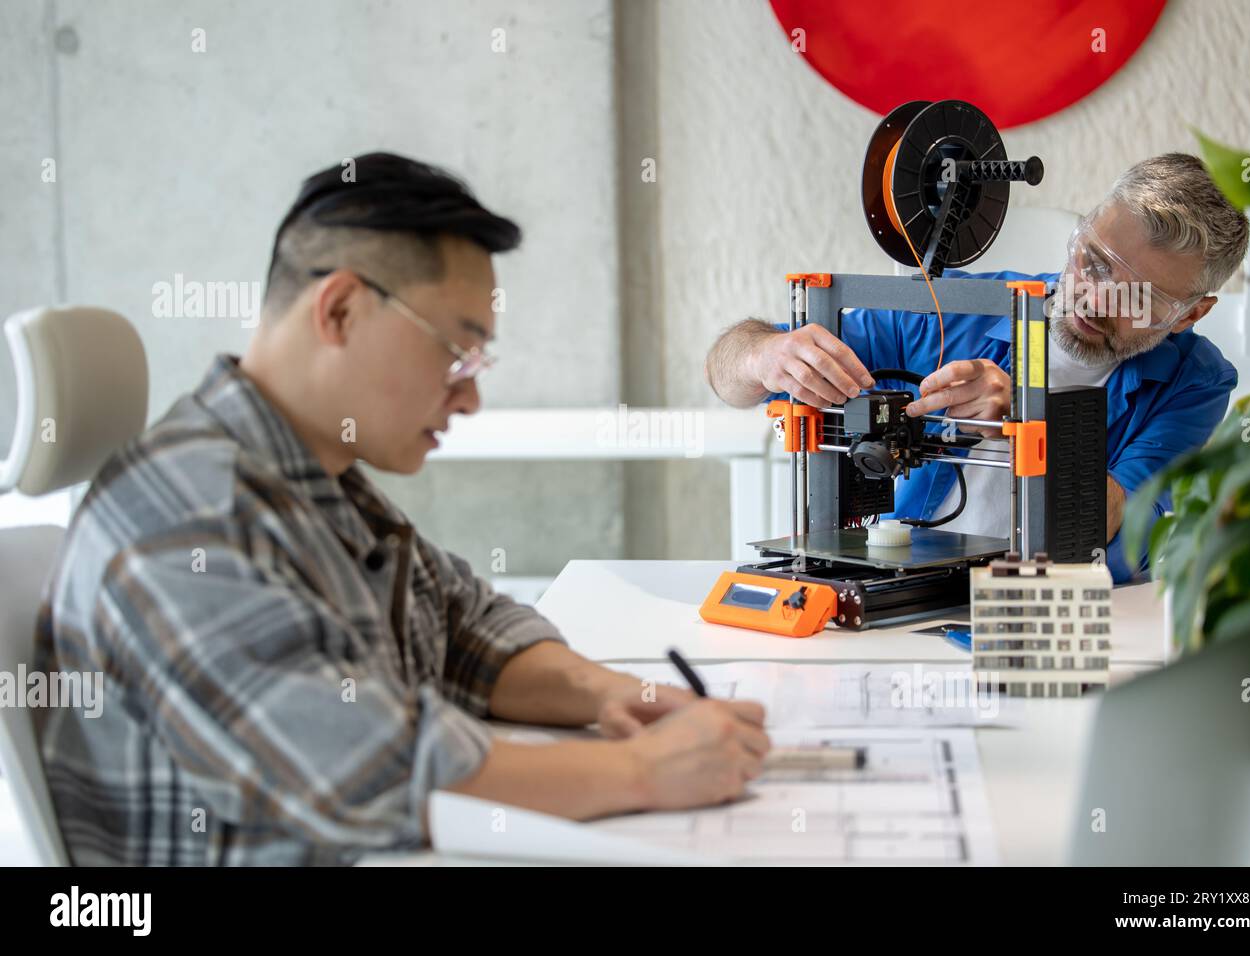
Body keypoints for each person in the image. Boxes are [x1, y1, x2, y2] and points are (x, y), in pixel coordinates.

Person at [34, 153, 769, 866]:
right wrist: (642, 773)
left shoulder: (305, 471)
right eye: (457, 350)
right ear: (342, 309)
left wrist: (619, 696)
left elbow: (458, 624)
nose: (470, 395)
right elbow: (366, 774)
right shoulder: (183, 516)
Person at [705, 153, 1247, 581]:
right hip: (899, 597)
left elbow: (1114, 523)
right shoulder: (951, 310)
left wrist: (1023, 415)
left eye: (1139, 297)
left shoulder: (1195, 382)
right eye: (1094, 262)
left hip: (1046, 619)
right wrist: (764, 354)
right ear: (1080, 231)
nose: (1095, 299)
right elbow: (729, 377)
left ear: (1190, 314)